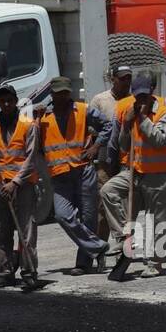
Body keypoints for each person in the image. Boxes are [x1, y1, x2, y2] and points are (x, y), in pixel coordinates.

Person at [100, 72, 166, 277]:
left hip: (159, 176)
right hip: (135, 172)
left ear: (151, 93)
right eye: (137, 96)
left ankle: (154, 263)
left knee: (157, 221)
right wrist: (127, 125)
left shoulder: (163, 113)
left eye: (144, 96)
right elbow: (124, 145)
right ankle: (123, 238)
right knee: (108, 191)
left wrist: (142, 119)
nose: (140, 100)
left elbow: (159, 140)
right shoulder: (130, 112)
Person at [35, 76, 109, 275]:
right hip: (59, 175)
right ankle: (98, 247)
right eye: (59, 93)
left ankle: (84, 263)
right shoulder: (42, 115)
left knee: (88, 218)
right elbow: (34, 144)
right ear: (52, 94)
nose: (64, 96)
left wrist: (96, 146)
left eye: (66, 92)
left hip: (83, 169)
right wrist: (35, 120)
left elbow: (108, 126)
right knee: (62, 215)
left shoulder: (83, 110)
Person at [0, 84, 40, 290]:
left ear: (16, 101)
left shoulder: (29, 125)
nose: (6, 104)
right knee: (0, 230)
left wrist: (15, 182)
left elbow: (31, 158)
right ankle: (6, 271)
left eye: (10, 100)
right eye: (2, 101)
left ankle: (28, 271)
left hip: (22, 185)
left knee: (26, 229)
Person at [89, 65, 132, 242]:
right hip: (104, 163)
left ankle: (123, 247)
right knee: (102, 207)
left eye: (128, 78)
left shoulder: (134, 100)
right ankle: (100, 249)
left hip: (126, 162)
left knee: (125, 207)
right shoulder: (100, 100)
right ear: (112, 79)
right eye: (121, 78)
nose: (125, 82)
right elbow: (90, 128)